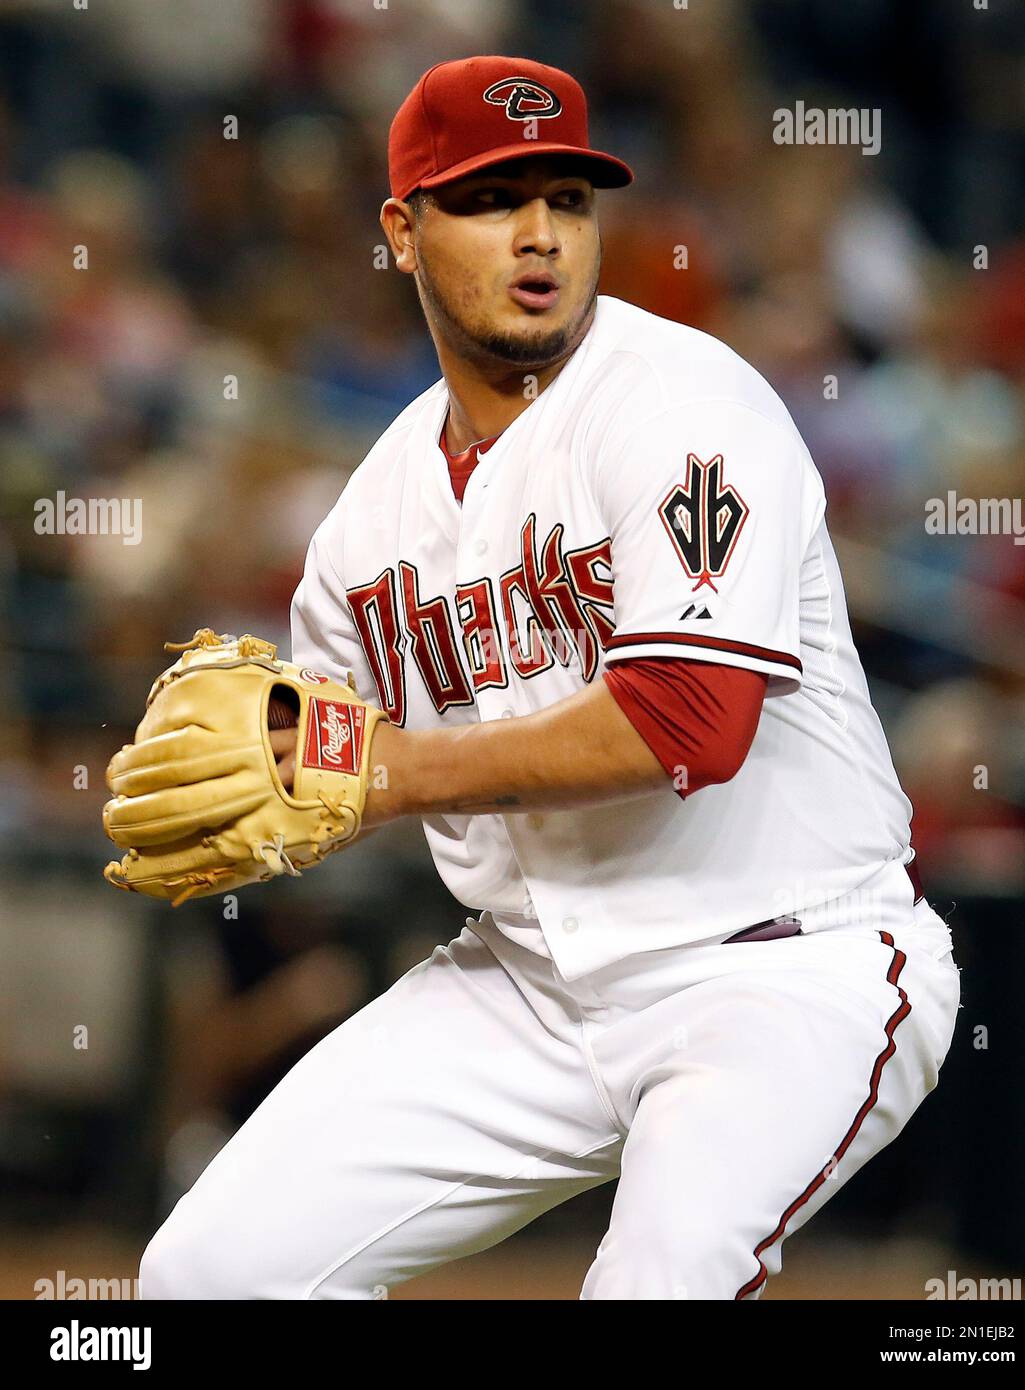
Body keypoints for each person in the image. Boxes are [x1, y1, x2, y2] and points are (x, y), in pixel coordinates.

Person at [139, 55, 962, 1301]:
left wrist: (386, 771)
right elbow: (321, 773)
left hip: (784, 966)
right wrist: (250, 802)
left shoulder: (688, 405)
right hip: (526, 985)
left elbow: (688, 720)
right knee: (204, 1275)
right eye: (488, 198)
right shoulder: (369, 521)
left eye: (567, 198)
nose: (538, 235)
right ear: (402, 232)